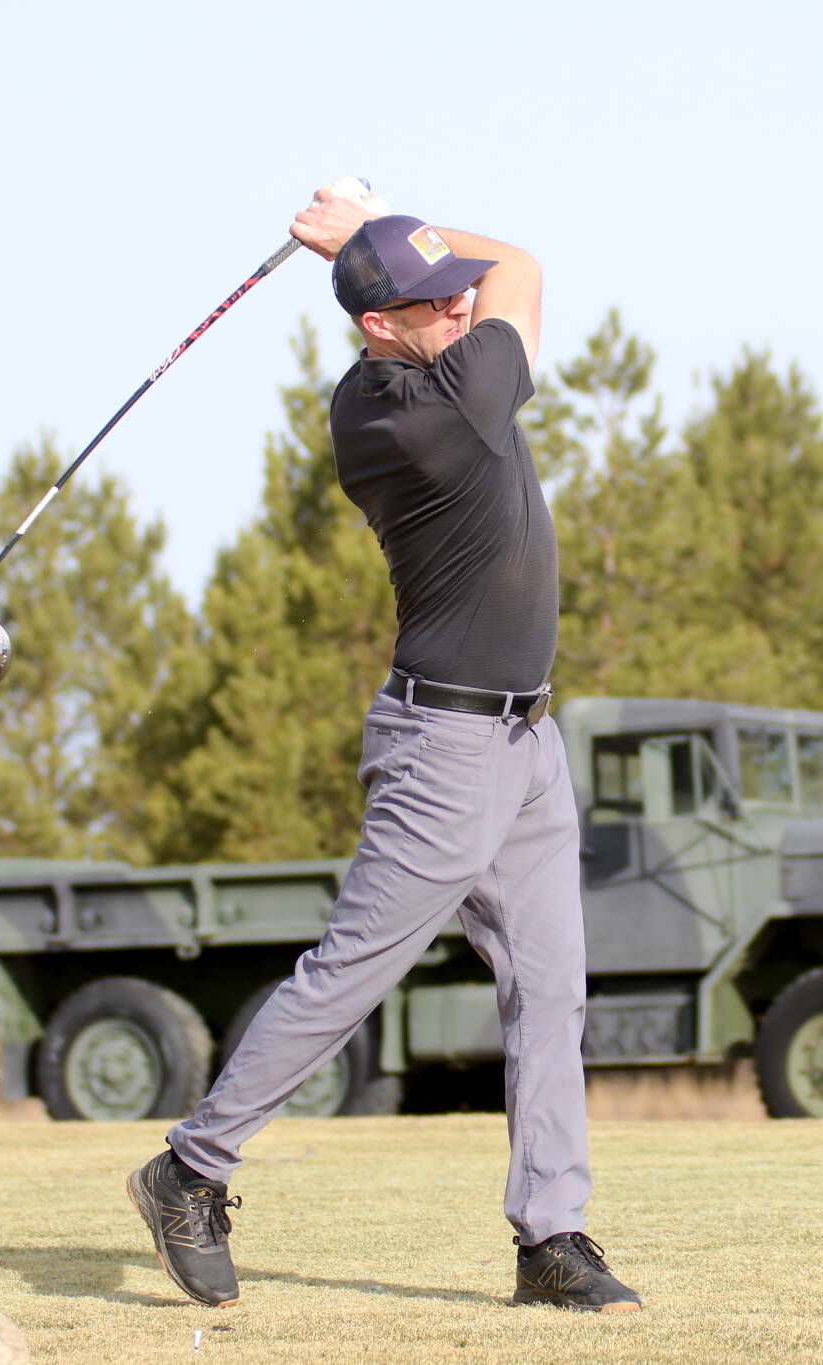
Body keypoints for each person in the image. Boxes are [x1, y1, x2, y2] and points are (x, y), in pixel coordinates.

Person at [126, 186, 640, 1315]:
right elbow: (523, 266)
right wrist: (385, 214)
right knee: (352, 972)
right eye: (431, 300)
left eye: (454, 296)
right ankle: (189, 1169)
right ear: (379, 327)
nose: (461, 306)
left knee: (550, 990)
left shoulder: (394, 378)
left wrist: (377, 239)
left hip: (523, 739)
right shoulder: (439, 410)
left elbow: (484, 276)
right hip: (443, 745)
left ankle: (550, 1237)